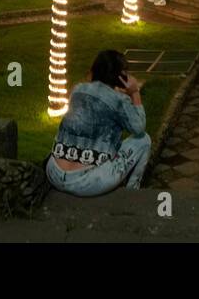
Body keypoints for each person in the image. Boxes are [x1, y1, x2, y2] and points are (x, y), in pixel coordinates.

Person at [45, 49, 151, 196]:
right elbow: (139, 127)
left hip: (53, 173)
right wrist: (134, 92)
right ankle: (131, 193)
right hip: (88, 182)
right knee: (144, 139)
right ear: (121, 76)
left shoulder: (77, 90)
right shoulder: (119, 100)